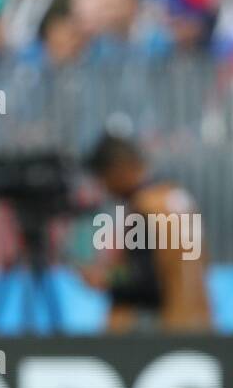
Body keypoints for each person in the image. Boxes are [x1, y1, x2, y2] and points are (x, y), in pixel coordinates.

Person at [82, 132, 213, 332]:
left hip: (163, 334)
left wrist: (104, 276)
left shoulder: (143, 208)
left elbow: (144, 282)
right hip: (198, 322)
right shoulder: (176, 198)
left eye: (103, 178)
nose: (105, 187)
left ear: (119, 169)